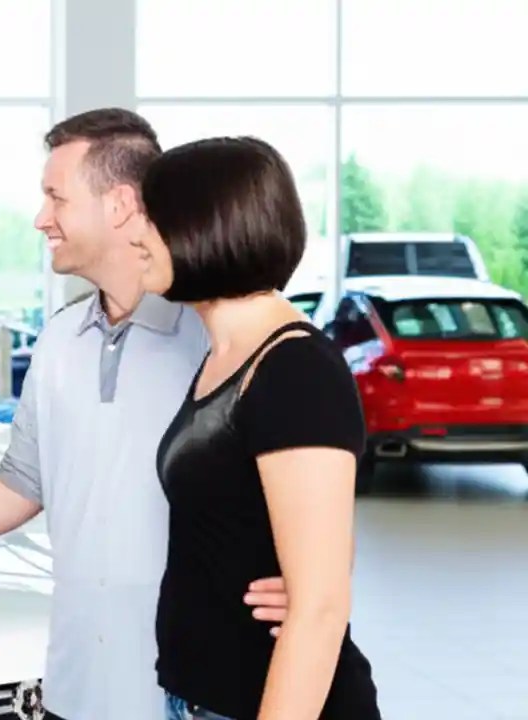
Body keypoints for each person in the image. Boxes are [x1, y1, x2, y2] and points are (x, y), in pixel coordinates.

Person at [0, 109, 292, 720]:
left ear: (118, 205)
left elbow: (308, 479)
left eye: (55, 197)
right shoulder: (60, 339)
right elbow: (22, 481)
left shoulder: (215, 336)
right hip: (76, 684)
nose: (41, 218)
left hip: (195, 694)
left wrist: (313, 583)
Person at [134, 136, 381, 719]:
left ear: (208, 226)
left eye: (152, 218)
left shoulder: (294, 368)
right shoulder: (226, 354)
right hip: (201, 698)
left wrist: (319, 580)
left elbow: (319, 610)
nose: (136, 235)